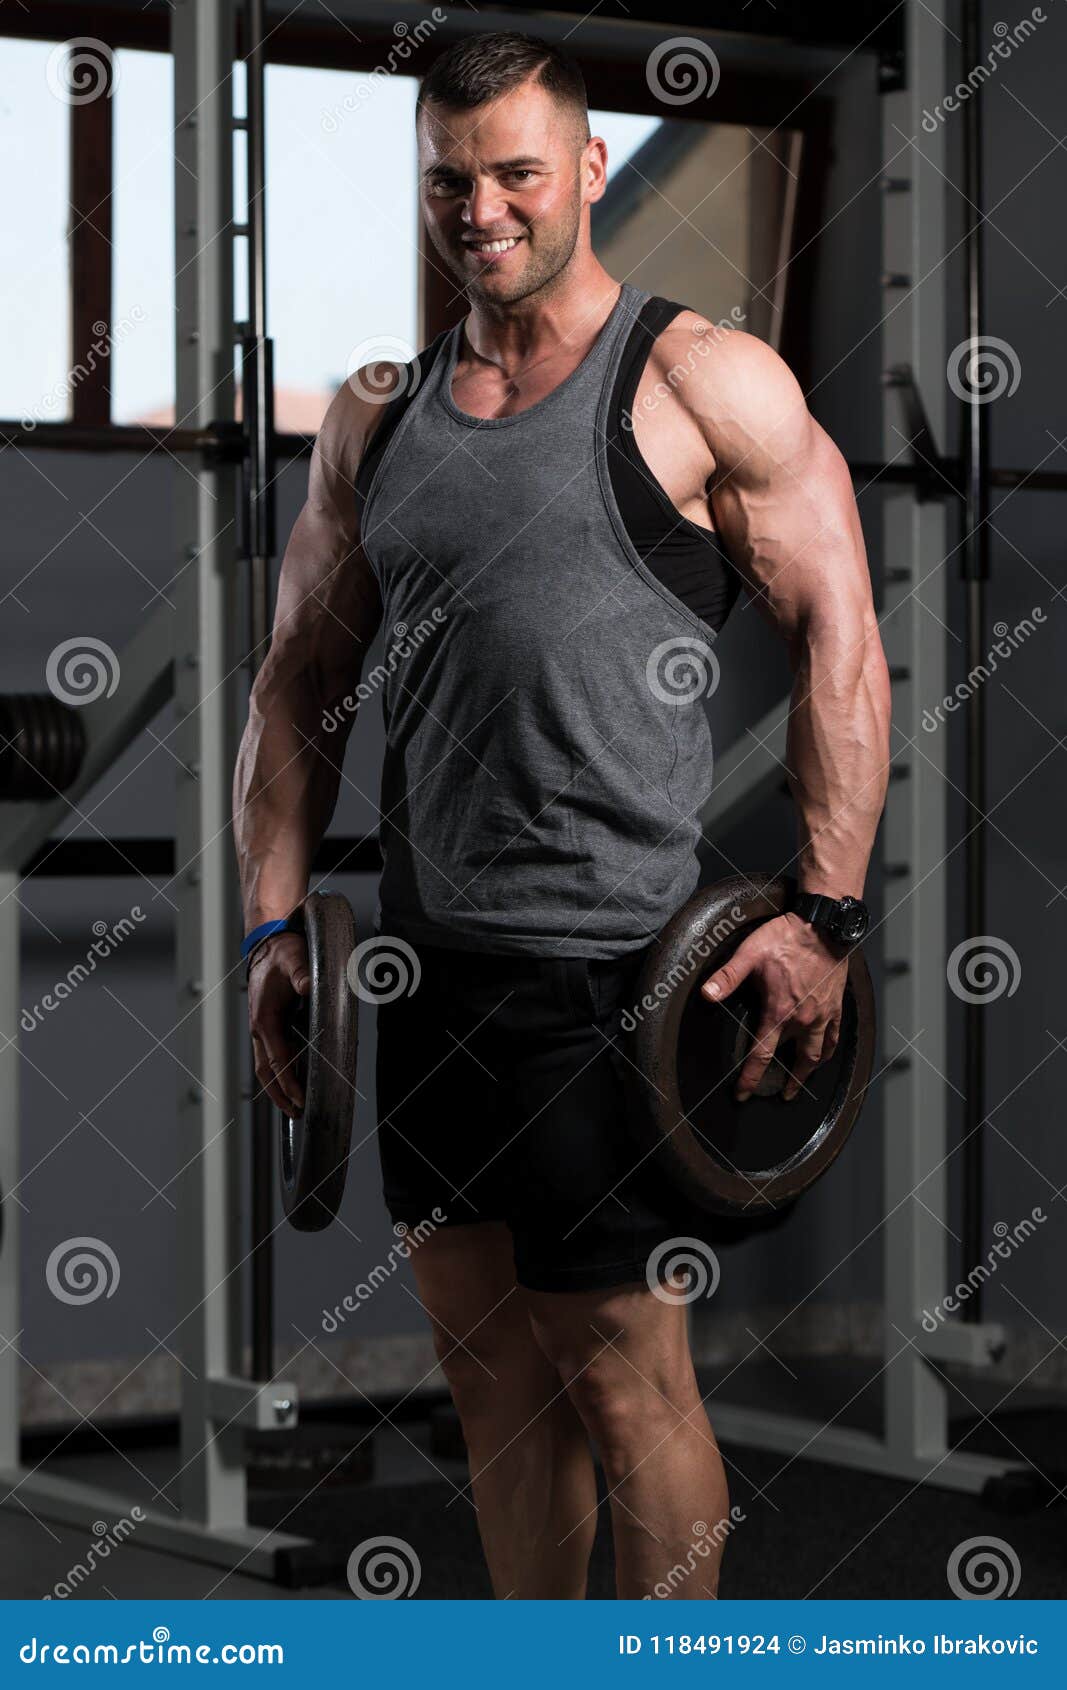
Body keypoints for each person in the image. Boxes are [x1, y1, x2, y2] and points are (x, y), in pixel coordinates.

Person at [233, 30, 890, 1600]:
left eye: (517, 171)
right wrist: (272, 924)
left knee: (624, 1378)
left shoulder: (704, 381)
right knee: (487, 1374)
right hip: (428, 970)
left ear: (587, 170)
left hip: (611, 979)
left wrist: (829, 914)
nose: (482, 208)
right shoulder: (378, 422)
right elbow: (291, 687)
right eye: (451, 178)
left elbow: (845, 644)